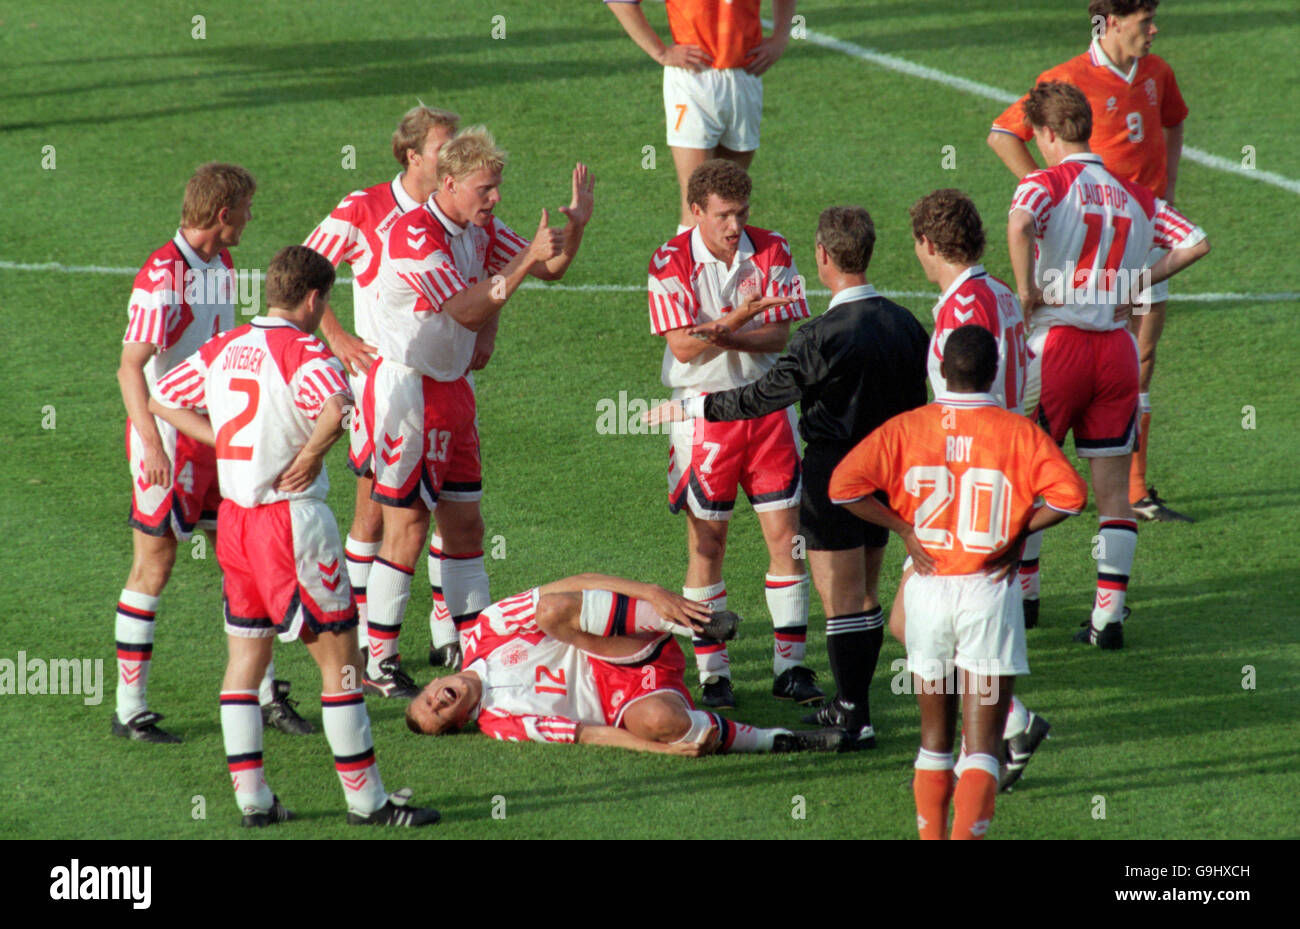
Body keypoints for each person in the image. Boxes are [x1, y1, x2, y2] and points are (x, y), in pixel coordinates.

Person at [150, 245, 440, 828]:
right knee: (341, 663)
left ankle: (254, 804)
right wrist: (309, 455)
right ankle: (368, 803)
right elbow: (336, 408)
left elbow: (162, 397)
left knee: (244, 663)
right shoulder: (304, 350)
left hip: (235, 521)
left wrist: (229, 444)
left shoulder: (226, 345)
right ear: (314, 299)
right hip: (291, 522)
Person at [645, 204, 929, 746]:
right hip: (891, 473)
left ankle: (852, 712)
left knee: (843, 600)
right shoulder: (908, 324)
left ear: (822, 256)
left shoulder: (821, 335)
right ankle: (850, 704)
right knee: (867, 594)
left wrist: (695, 409)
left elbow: (764, 395)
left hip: (835, 478)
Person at [828, 325, 1089, 840]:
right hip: (987, 593)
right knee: (983, 744)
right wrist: (1017, 535)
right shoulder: (1017, 432)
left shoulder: (907, 428)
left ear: (942, 369)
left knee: (933, 740)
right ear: (995, 373)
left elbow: (842, 487)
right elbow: (1070, 497)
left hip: (926, 592)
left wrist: (903, 528)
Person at [360, 127, 594, 698]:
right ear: (449, 183)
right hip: (408, 394)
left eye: (497, 188)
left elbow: (550, 267)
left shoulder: (475, 228)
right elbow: (466, 310)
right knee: (408, 527)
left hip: (453, 389)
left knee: (466, 526)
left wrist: (578, 223)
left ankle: (478, 649)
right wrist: (521, 266)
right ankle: (379, 660)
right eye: (485, 189)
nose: (494, 199)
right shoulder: (416, 235)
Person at [1006, 81, 1209, 650]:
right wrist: (1136, 283)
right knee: (1115, 496)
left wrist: (1026, 291)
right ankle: (1108, 619)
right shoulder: (1134, 194)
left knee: (1029, 478)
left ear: (1047, 134)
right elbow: (1196, 242)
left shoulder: (1046, 183)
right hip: (1118, 350)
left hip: (1059, 348)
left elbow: (1021, 225)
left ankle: (1025, 601)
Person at [113, 162, 307, 743]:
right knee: (156, 565)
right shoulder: (162, 277)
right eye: (246, 209)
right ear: (224, 215)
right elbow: (129, 367)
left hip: (221, 442)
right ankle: (130, 708)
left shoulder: (220, 263)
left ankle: (267, 693)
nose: (251, 218)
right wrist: (152, 444)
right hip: (169, 442)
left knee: (249, 561)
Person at [988, 0, 1191, 522]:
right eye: (1146, 21)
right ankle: (1052, 484)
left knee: (1142, 356)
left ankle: (1136, 488)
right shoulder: (1065, 78)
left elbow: (1172, 122)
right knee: (1095, 354)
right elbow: (1003, 133)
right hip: (1090, 243)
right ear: (1113, 23)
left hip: (1141, 230)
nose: (1154, 29)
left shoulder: (1158, 72)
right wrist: (1049, 192)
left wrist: (1166, 189)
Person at [303, 104, 473, 672]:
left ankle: (447, 630)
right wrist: (339, 336)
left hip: (445, 378)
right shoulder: (365, 207)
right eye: (443, 147)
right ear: (411, 155)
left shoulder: (457, 208)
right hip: (388, 384)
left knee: (450, 504)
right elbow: (305, 272)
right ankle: (354, 638)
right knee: (379, 513)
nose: (454, 157)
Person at [646, 159, 812, 711]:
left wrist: (722, 328)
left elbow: (780, 333)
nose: (735, 226)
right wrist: (741, 318)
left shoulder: (774, 249)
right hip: (702, 417)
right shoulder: (668, 261)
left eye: (741, 213)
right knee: (707, 544)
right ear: (696, 212)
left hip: (767, 412)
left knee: (785, 537)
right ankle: (714, 673)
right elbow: (683, 348)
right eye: (722, 215)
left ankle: (791, 668)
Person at [903, 188, 1047, 789]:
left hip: (969, 484)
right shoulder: (1002, 297)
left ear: (928, 246)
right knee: (919, 618)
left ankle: (1002, 731)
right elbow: (1032, 376)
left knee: (935, 619)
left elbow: (950, 417)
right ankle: (1002, 729)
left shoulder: (958, 313)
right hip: (1005, 469)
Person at [405, 573, 844, 756]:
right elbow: (585, 733)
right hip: (625, 698)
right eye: (441, 716)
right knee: (660, 721)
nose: (439, 702)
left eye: (429, 698)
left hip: (621, 641)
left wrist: (650, 592)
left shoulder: (484, 630)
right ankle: (783, 741)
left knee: (549, 610)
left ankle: (690, 622)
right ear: (460, 721)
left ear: (434, 680)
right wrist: (659, 747)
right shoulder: (500, 722)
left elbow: (573, 585)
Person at [605, 0, 796, 231]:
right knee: (698, 201)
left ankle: (726, 267)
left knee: (731, 204)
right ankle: (685, 267)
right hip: (693, 79)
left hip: (745, 76)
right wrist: (661, 52)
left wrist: (780, 38)